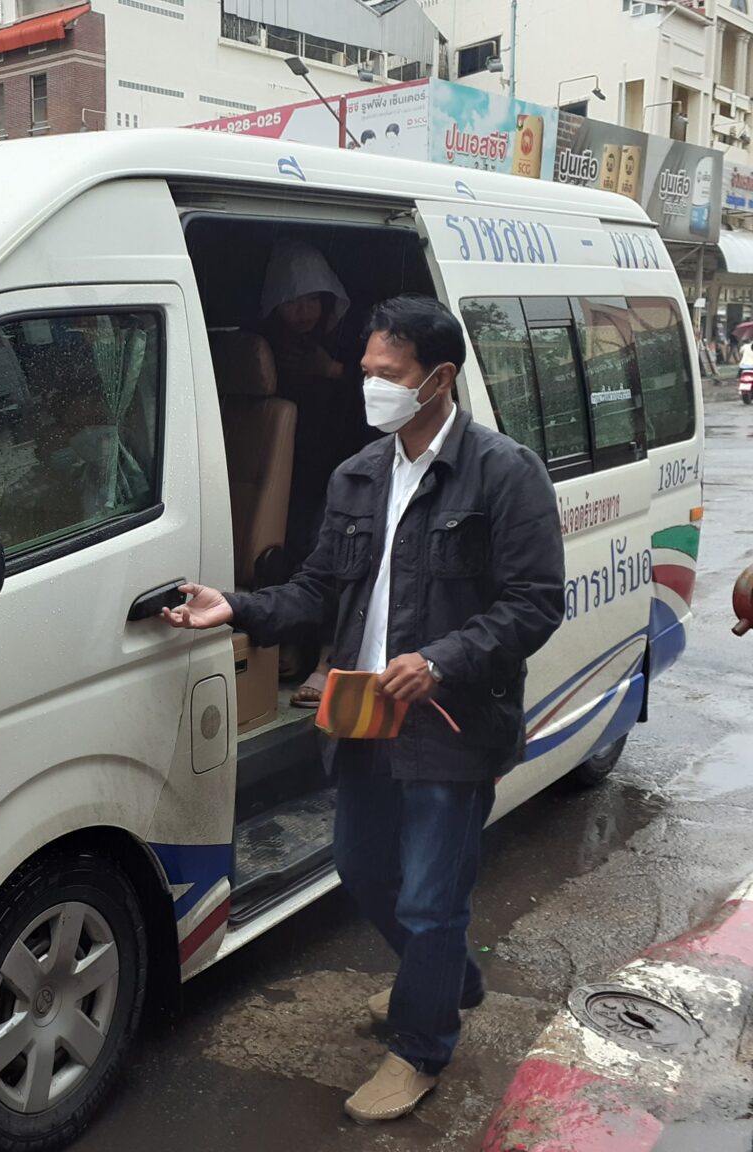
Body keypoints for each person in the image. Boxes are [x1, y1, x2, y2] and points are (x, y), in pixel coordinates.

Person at [163, 295, 565, 1124]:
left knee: (429, 898)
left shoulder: (503, 473)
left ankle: (421, 1046)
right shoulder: (358, 475)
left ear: (439, 379)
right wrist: (233, 608)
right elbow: (316, 590)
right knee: (363, 867)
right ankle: (446, 976)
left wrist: (443, 660)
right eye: (367, 372)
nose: (371, 387)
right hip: (363, 712)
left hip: (451, 721)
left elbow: (534, 602)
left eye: (389, 375)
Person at [258, 239, 375, 706]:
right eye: (290, 303)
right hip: (297, 466)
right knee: (284, 547)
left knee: (332, 554)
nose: (302, 312)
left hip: (351, 465)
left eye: (310, 300)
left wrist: (333, 371)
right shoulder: (273, 348)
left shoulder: (355, 341)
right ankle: (288, 644)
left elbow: (376, 408)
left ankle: (329, 658)